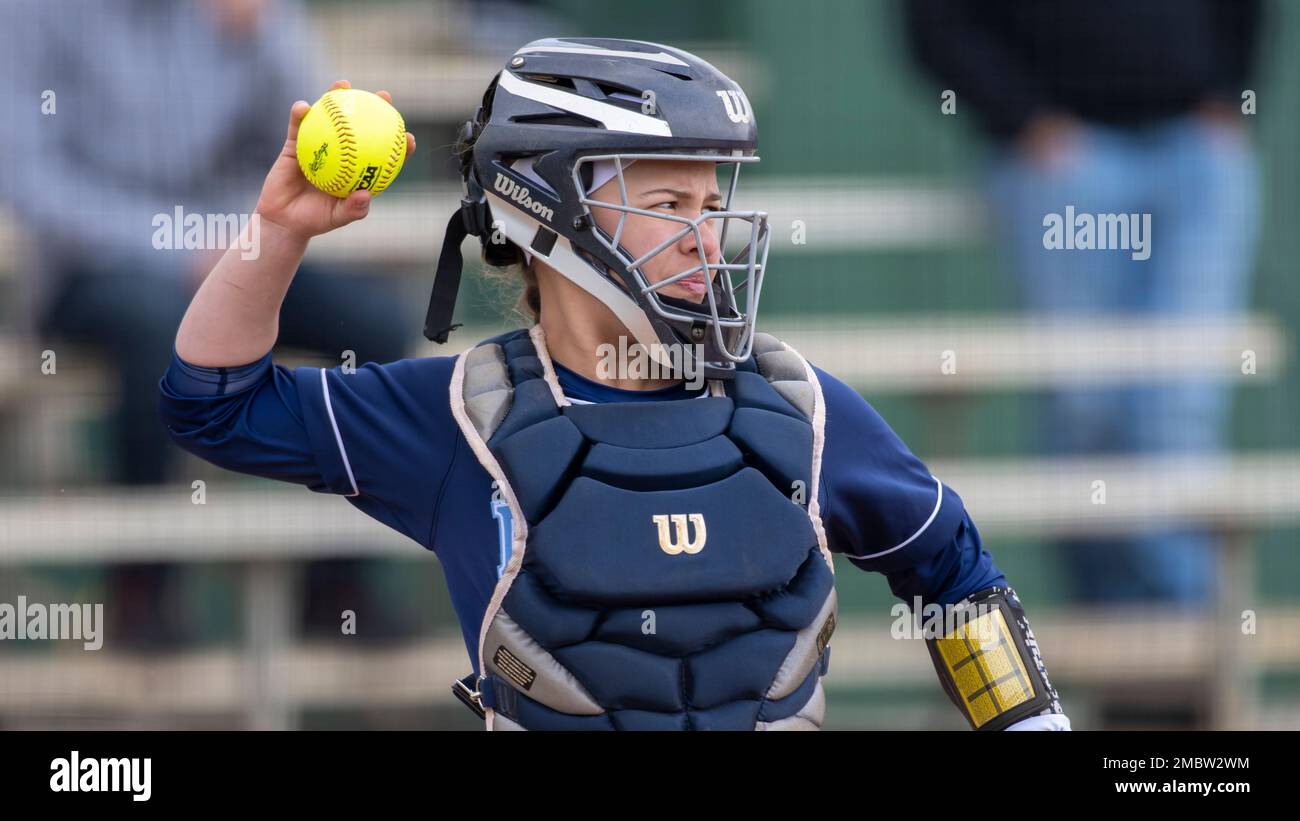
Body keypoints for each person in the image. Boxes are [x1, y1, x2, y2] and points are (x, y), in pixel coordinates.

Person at [159, 38, 1070, 731]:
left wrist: (1032, 725)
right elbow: (213, 401)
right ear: (547, 205)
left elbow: (955, 575)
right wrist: (276, 234)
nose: (707, 239)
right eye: (667, 206)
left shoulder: (800, 407)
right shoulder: (463, 419)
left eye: (712, 207)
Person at [905, 0, 1263, 605]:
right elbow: (933, 23)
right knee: (1088, 412)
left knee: (1179, 412)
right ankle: (1138, 651)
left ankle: (1180, 656)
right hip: (1064, 161)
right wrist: (1025, 120)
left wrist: (1229, 94)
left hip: (1195, 149)